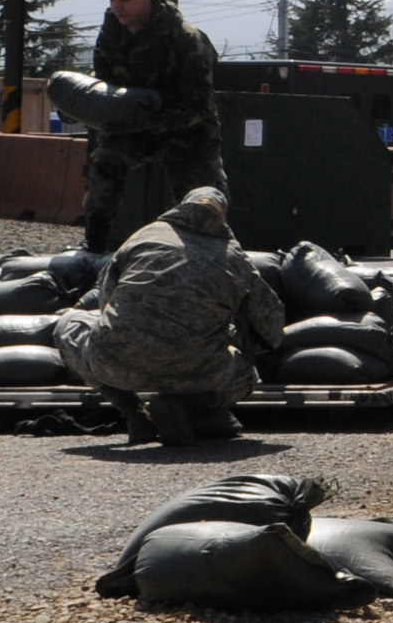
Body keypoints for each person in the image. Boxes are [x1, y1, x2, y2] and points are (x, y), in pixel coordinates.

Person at [55, 186, 282, 446]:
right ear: (223, 216)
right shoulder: (235, 257)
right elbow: (270, 327)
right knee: (246, 373)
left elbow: (107, 300)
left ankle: (134, 414)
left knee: (67, 325)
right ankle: (184, 404)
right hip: (197, 373)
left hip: (117, 365)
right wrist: (238, 337)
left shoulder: (143, 236)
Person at [81, 0, 225, 253]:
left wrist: (151, 119)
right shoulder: (111, 36)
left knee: (204, 198)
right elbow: (105, 86)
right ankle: (93, 245)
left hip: (188, 130)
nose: (117, 7)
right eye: (111, 0)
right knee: (105, 160)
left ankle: (213, 256)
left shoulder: (186, 40)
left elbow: (199, 105)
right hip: (134, 127)